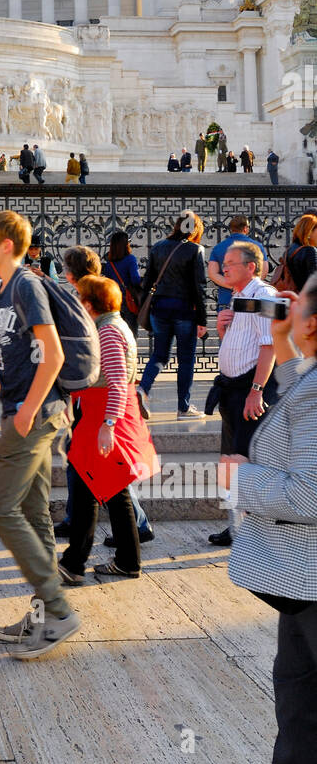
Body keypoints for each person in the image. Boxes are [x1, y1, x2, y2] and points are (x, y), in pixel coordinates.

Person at [223, 273, 317, 764]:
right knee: (299, 708)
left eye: (301, 297)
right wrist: (284, 342)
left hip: (311, 578)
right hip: (303, 583)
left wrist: (239, 480)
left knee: (303, 709)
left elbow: (311, 493)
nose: (287, 300)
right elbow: (295, 399)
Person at [0, 210, 82, 659]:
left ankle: (58, 610)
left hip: (36, 413)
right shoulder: (4, 291)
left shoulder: (26, 285)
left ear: (7, 245)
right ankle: (44, 616)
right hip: (24, 412)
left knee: (0, 508)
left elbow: (51, 355)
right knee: (34, 512)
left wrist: (28, 411)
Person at [59, 275, 158, 581]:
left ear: (89, 304)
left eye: (78, 297)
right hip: (100, 414)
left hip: (103, 416)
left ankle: (75, 563)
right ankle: (125, 561)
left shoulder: (109, 332)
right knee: (113, 490)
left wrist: (108, 425)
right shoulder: (112, 326)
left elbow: (116, 382)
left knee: (91, 489)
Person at [207, 242, 280, 549]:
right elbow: (240, 344)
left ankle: (257, 531)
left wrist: (257, 390)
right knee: (232, 461)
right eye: (224, 263)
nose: (224, 268)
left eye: (231, 263)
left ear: (251, 266)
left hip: (250, 391)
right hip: (230, 388)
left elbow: (270, 345)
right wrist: (224, 332)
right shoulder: (238, 296)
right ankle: (237, 526)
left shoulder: (264, 295)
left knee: (247, 463)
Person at [136, 210, 208, 420]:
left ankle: (143, 389)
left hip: (159, 308)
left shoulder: (158, 247)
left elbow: (147, 281)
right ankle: (183, 408)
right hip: (184, 309)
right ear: (195, 229)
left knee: (160, 355)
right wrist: (202, 320)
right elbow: (199, 287)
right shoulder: (195, 250)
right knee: (186, 360)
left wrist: (147, 307)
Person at [208, 215, 268, 311]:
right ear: (245, 229)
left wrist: (233, 286)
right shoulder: (257, 246)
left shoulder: (218, 247)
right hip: (250, 300)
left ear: (231, 229)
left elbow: (212, 273)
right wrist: (245, 286)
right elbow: (263, 271)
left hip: (226, 300)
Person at [103, 230, 142, 335]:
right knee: (131, 333)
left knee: (117, 332)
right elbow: (135, 279)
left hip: (114, 300)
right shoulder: (130, 259)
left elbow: (108, 281)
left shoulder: (109, 263)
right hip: (128, 300)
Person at [276, 213, 317, 292]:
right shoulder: (310, 251)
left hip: (292, 296)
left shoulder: (290, 249)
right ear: (309, 232)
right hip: (307, 299)